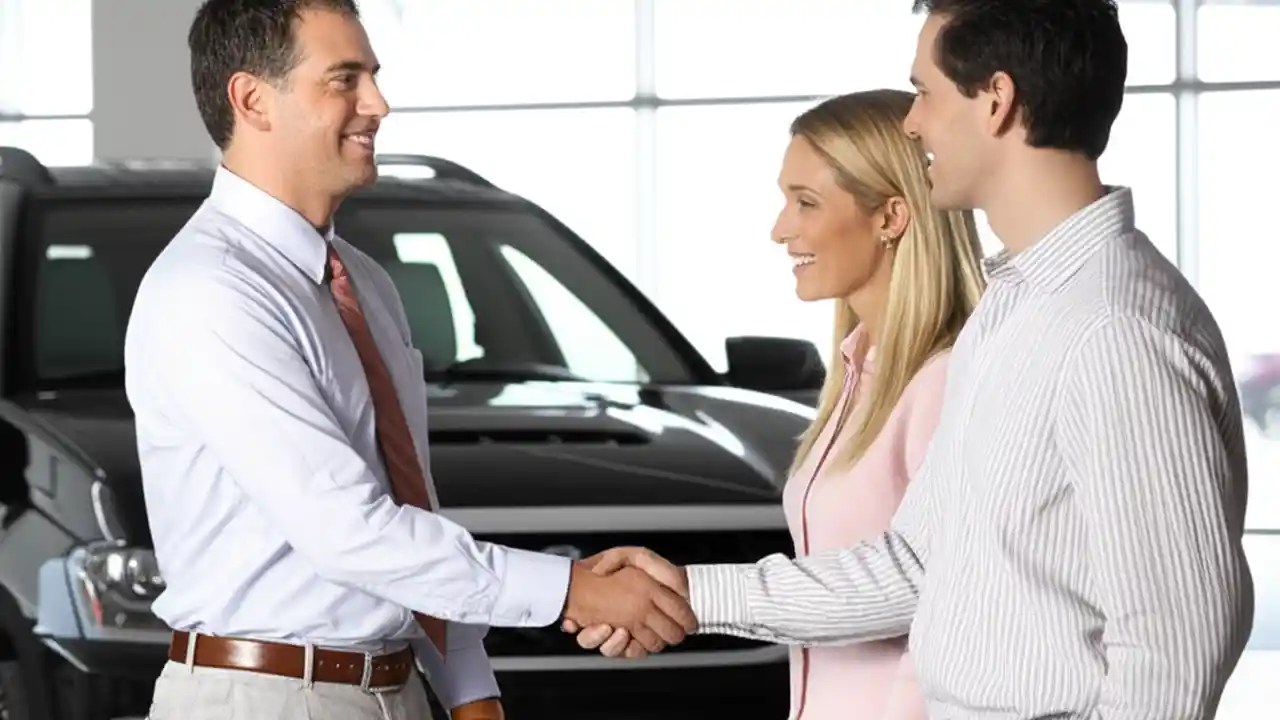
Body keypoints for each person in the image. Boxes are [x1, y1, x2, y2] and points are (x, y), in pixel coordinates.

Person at [571, 1, 1256, 717]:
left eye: (924, 91)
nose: (912, 122)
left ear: (996, 100)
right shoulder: (1011, 310)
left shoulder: (1112, 327)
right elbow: (917, 562)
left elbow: (1175, 645)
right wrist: (692, 592)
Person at [123, 2, 693, 719]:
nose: (378, 104)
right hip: (266, 698)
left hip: (394, 690)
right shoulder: (211, 290)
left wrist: (469, 687)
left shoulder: (362, 283)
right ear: (252, 100)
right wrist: (574, 590)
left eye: (374, 76)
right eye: (344, 79)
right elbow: (351, 530)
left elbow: (410, 503)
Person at [573, 89, 985, 719]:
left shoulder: (947, 382)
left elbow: (923, 587)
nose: (780, 228)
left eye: (806, 203)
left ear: (891, 216)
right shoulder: (857, 373)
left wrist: (686, 593)